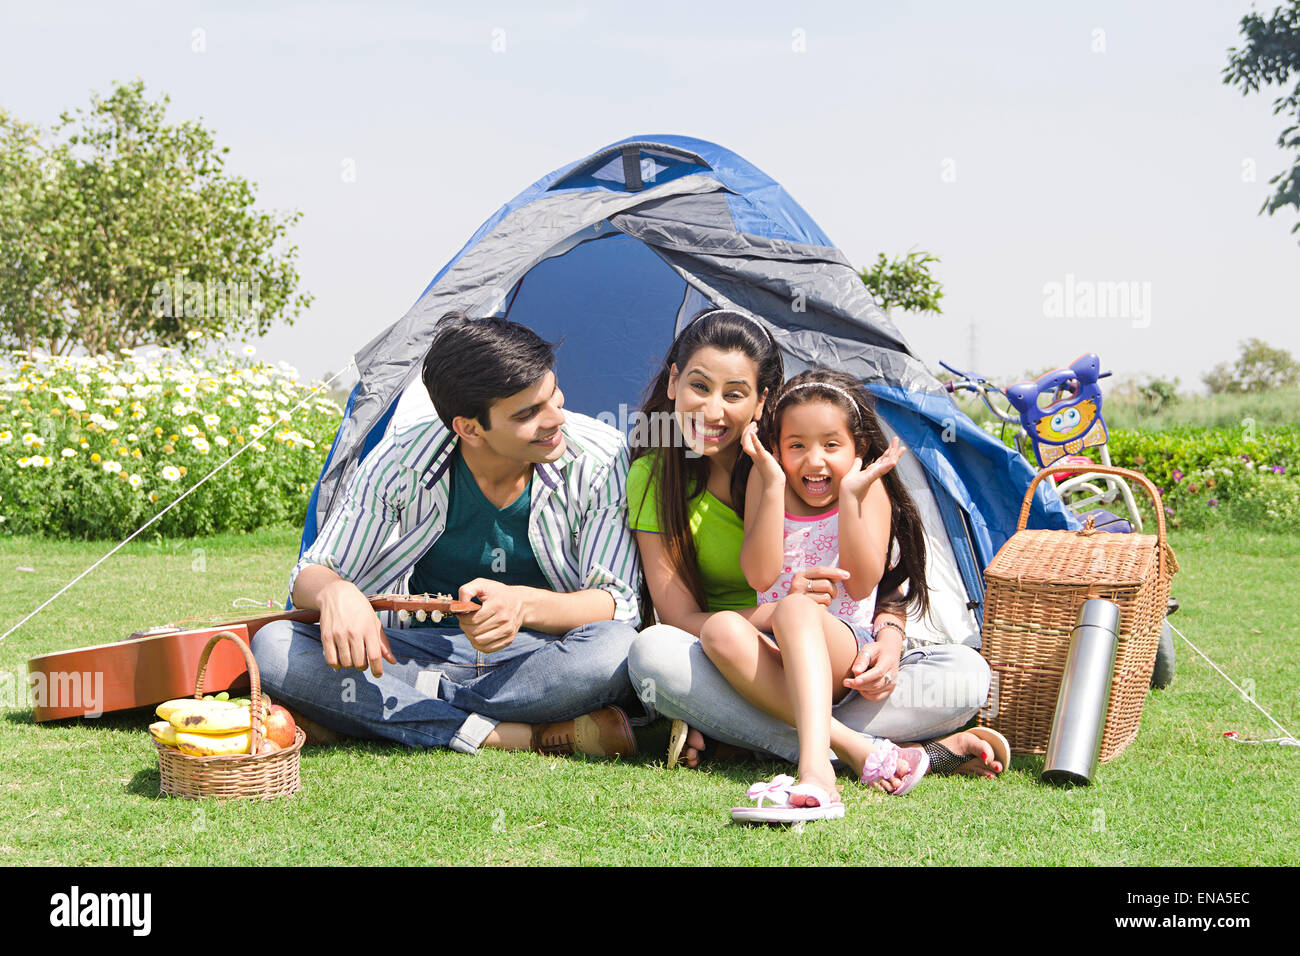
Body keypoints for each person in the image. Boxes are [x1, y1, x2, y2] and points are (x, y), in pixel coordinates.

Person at [625, 309, 1006, 797]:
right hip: (739, 661)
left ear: (763, 401)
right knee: (652, 654)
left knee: (966, 676)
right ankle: (864, 748)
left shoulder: (799, 464)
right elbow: (678, 617)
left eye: (735, 394)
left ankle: (742, 739)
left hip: (838, 659)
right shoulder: (657, 478)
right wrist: (771, 613)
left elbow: (872, 580)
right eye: (700, 386)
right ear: (674, 382)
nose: (713, 411)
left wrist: (889, 643)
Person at [252, 313, 644, 759]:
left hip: (538, 658)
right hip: (418, 650)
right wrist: (336, 591)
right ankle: (516, 736)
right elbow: (310, 577)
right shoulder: (403, 457)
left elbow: (617, 603)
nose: (556, 419)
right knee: (274, 648)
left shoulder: (600, 457)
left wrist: (522, 604)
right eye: (528, 413)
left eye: (553, 395)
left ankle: (383, 713)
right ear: (469, 428)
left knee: (615, 652)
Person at [704, 370, 934, 818]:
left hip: (844, 647)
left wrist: (850, 498)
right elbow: (758, 574)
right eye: (796, 446)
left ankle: (816, 771)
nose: (814, 461)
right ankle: (855, 746)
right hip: (777, 649)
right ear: (776, 450)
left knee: (793, 610)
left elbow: (865, 584)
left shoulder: (870, 492)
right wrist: (770, 484)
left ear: (859, 449)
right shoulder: (766, 483)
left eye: (831, 445)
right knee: (718, 629)